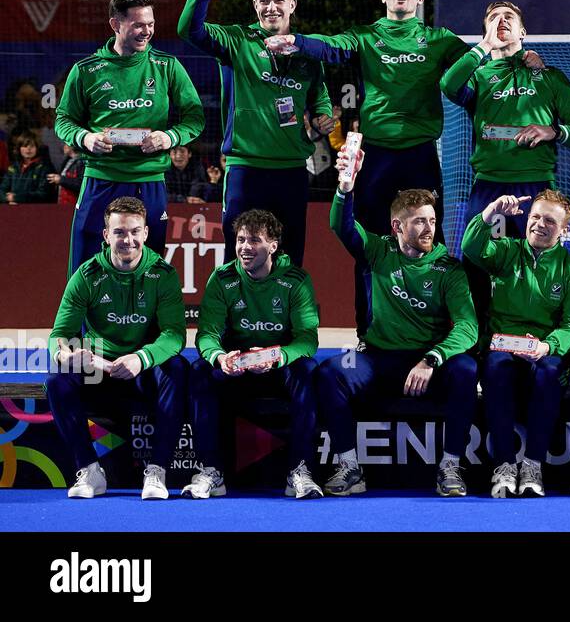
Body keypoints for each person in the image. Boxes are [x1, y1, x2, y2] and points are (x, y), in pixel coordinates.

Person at [266, 0, 512, 335]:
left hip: (420, 158)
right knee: (368, 248)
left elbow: (482, 66)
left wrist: (520, 56)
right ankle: (368, 335)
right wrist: (297, 41)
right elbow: (331, 47)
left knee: (431, 245)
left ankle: (440, 337)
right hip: (375, 159)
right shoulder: (365, 36)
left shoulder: (438, 38)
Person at [317, 147, 478, 497]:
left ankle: (450, 466)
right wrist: (345, 188)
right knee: (330, 372)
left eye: (432, 220)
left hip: (427, 361)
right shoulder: (378, 250)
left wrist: (432, 358)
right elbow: (341, 227)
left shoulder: (448, 269)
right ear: (397, 226)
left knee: (465, 369)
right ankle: (349, 466)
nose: (428, 228)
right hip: (379, 358)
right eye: (419, 221)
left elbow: (468, 327)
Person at [179, 0, 335, 266]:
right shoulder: (237, 41)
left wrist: (321, 116)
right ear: (255, 5)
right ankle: (235, 318)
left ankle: (285, 318)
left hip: (291, 170)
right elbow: (189, 30)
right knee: (238, 256)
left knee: (290, 255)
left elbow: (318, 93)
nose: (271, 7)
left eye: (279, 0)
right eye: (264, 1)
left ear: (292, 4)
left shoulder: (306, 51)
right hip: (245, 170)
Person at [441, 1, 570, 327]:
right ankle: (475, 344)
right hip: (488, 184)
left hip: (536, 185)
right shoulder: (479, 76)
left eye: (509, 17)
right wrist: (483, 47)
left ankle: (542, 345)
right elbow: (448, 85)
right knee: (474, 262)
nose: (501, 21)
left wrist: (554, 131)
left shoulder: (548, 75)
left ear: (523, 32)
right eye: (493, 18)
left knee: (537, 266)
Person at [45, 197, 188, 499]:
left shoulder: (163, 274)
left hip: (142, 371)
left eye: (135, 232)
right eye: (120, 232)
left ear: (146, 233)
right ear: (106, 235)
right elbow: (60, 333)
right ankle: (89, 470)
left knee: (177, 369)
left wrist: (141, 358)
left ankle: (157, 471)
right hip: (100, 369)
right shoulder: (87, 275)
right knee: (57, 380)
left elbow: (174, 335)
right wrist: (67, 355)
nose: (129, 240)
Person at [55, 0, 204, 275]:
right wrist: (86, 138)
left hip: (149, 180)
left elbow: (195, 118)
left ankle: (143, 322)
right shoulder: (86, 70)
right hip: (101, 179)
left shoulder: (167, 66)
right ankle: (87, 322)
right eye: (138, 24)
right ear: (115, 24)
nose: (146, 31)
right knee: (86, 268)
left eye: (150, 24)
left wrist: (169, 137)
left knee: (149, 269)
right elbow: (63, 121)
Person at [460, 189, 570, 498]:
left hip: (546, 352)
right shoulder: (506, 252)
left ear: (564, 229)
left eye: (549, 220)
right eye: (535, 217)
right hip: (503, 347)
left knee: (548, 372)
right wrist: (491, 211)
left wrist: (547, 346)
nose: (539, 225)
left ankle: (532, 465)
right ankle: (504, 465)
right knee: (496, 366)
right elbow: (471, 247)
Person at [183, 209, 322, 500]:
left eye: (255, 240)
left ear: (273, 245)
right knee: (198, 371)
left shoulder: (296, 280)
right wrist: (220, 357)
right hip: (236, 367)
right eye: (241, 240)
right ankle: (211, 471)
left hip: (278, 368)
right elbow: (206, 333)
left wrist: (276, 356)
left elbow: (307, 340)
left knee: (308, 370)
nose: (245, 247)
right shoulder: (222, 279)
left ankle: (300, 470)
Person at [3, 131, 55, 204]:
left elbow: (43, 194)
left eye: (32, 146)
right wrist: (7, 198)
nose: (28, 149)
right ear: (19, 148)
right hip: (12, 209)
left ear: (37, 148)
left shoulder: (45, 167)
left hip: (36, 211)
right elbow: (2, 189)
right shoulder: (13, 167)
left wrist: (16, 198)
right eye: (25, 146)